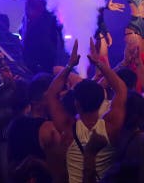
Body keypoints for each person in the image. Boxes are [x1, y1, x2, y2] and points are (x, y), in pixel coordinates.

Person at [46, 39, 127, 183]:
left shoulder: (68, 128)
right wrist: (99, 63)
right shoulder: (111, 127)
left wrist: (70, 65)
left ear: (76, 103)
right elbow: (121, 90)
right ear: (102, 100)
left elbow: (51, 94)